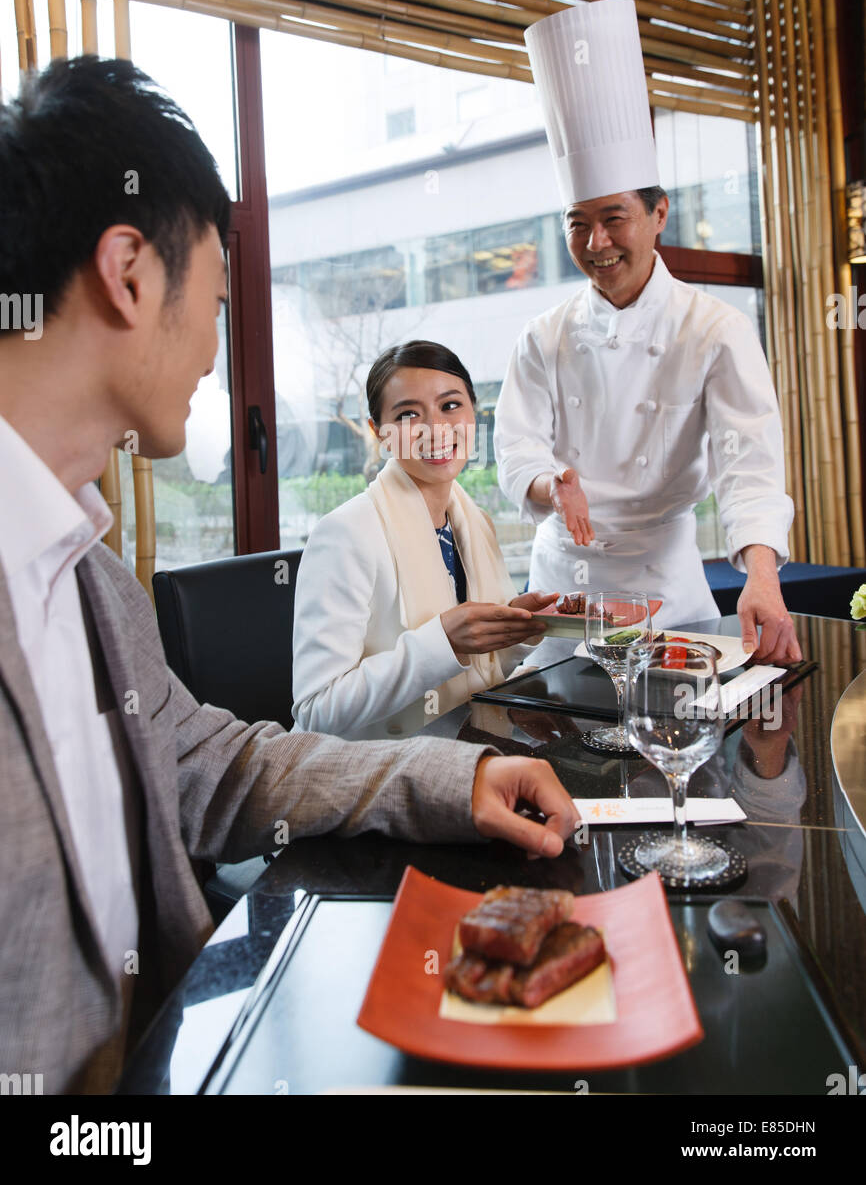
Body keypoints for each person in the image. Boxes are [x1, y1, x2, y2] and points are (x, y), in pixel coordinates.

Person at [0, 57, 577, 1094]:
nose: (219, 358)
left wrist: (463, 780)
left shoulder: (88, 577)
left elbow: (215, 769)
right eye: (217, 302)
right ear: (129, 273)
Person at [494, 0, 801, 665]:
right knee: (556, 744)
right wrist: (553, 488)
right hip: (562, 595)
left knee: (676, 750)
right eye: (578, 222)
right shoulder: (543, 336)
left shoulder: (715, 329)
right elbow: (516, 449)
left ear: (659, 214)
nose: (595, 241)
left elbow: (747, 463)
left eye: (613, 218)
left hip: (667, 588)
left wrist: (762, 573)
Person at [292, 340, 557, 737]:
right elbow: (318, 711)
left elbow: (476, 673)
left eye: (451, 406)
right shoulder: (345, 534)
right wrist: (442, 642)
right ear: (379, 433)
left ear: (475, 413)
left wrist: (516, 628)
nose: (435, 429)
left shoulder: (472, 521)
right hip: (364, 773)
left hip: (455, 744)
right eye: (408, 414)